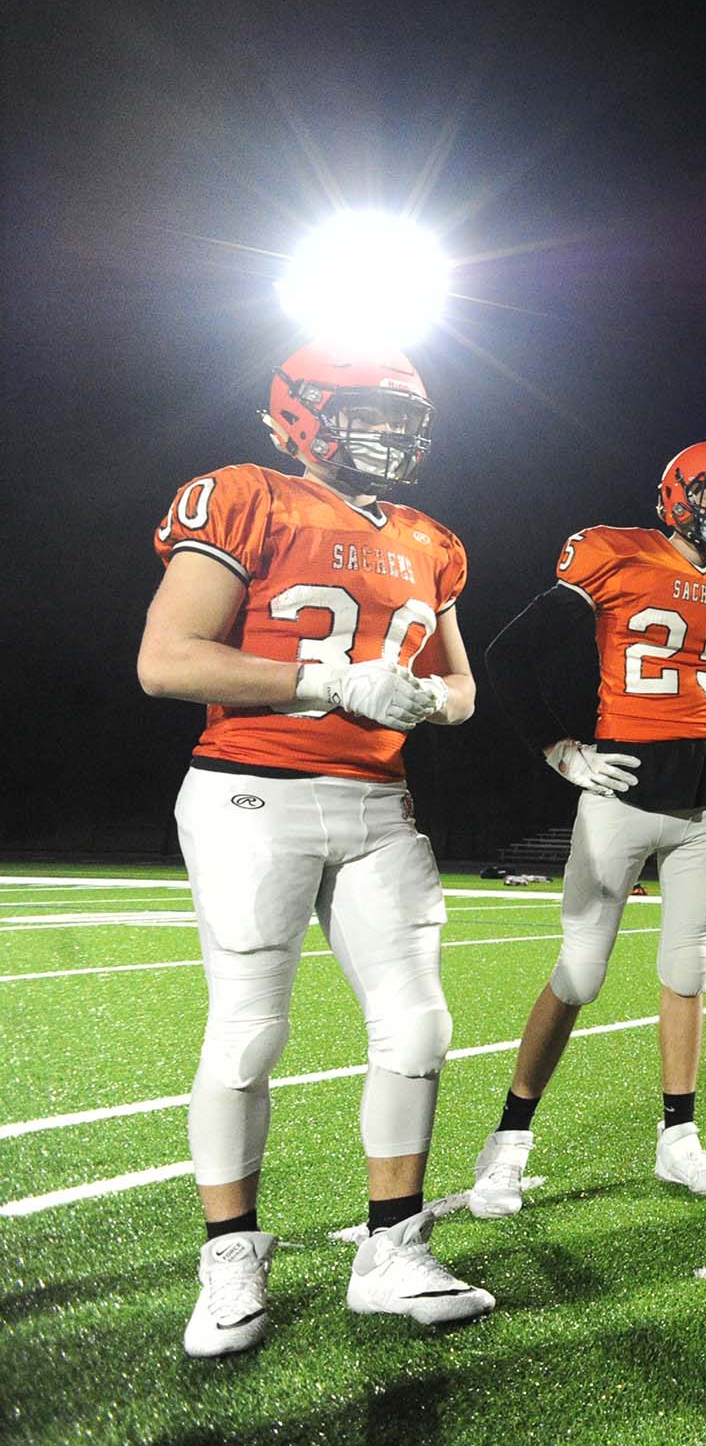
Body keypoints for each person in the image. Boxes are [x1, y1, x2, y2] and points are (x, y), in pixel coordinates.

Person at [138, 341, 492, 1356]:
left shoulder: (432, 537)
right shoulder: (244, 495)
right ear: (299, 412)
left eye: (401, 415)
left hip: (378, 798)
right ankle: (230, 1253)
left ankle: (393, 1249)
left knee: (419, 1023)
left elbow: (461, 685)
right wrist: (327, 681)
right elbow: (167, 659)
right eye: (366, 410)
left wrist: (432, 700)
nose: (390, 431)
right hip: (251, 789)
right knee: (248, 1031)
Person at [469, 441, 706, 1216]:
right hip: (619, 789)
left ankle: (679, 1138)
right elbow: (509, 654)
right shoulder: (614, 555)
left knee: (689, 969)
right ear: (677, 495)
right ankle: (508, 1141)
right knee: (581, 972)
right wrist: (560, 749)